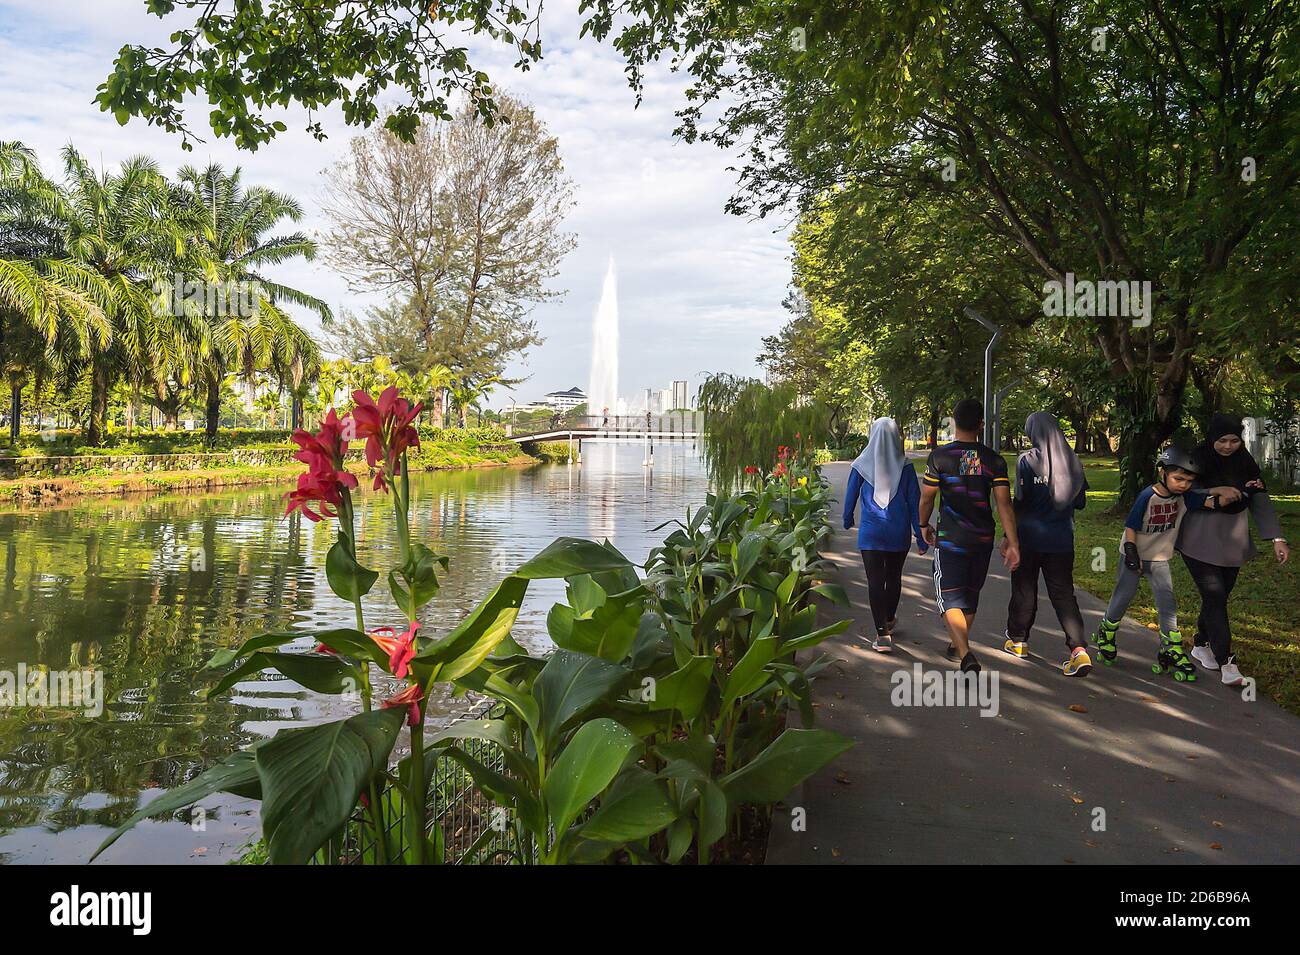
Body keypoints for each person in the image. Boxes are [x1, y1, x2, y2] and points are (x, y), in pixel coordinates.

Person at [1092, 446, 1240, 682]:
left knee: (1167, 603)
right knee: (1123, 596)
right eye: (1178, 479)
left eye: (1188, 481)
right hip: (1135, 556)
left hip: (1160, 558)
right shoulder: (1147, 496)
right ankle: (1106, 633)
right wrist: (1131, 553)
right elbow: (1130, 526)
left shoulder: (1184, 496)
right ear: (1162, 473)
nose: (1183, 484)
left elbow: (1208, 500)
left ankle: (1170, 646)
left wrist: (1227, 494)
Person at [1177, 414, 1290, 687]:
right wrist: (1214, 492)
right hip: (1197, 538)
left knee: (1219, 595)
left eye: (1234, 441)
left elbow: (1260, 498)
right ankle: (1227, 661)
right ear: (1211, 438)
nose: (1228, 446)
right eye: (1222, 441)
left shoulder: (1245, 462)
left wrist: (1277, 538)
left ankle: (1201, 643)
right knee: (1215, 596)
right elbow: (1181, 490)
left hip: (1232, 540)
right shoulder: (1196, 459)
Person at [918, 398, 1020, 673]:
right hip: (982, 539)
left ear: (953, 422)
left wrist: (922, 524)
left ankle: (965, 654)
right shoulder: (993, 460)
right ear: (981, 425)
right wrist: (1013, 541)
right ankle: (957, 646)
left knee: (949, 597)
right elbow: (1003, 504)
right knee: (969, 595)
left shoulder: (940, 457)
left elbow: (927, 497)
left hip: (951, 538)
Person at [1004, 412, 1093, 676]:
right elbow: (1080, 501)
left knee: (1024, 589)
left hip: (1029, 538)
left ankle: (1018, 640)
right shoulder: (1073, 460)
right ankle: (1079, 650)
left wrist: (1009, 538)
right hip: (1062, 540)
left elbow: (1020, 502)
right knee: (1064, 595)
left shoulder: (1026, 460)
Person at [843, 418, 928, 652]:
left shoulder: (861, 464)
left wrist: (847, 519)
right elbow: (914, 503)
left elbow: (851, 495)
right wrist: (920, 538)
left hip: (870, 532)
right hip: (898, 532)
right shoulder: (906, 466)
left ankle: (882, 635)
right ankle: (889, 618)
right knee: (893, 578)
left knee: (874, 581)